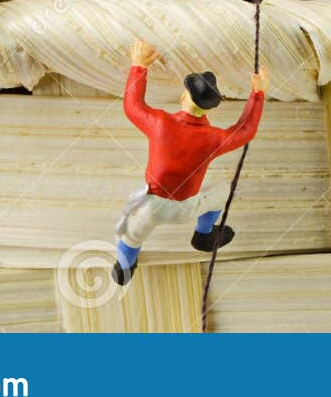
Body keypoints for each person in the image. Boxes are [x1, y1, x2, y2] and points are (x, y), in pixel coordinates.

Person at [113, 38, 270, 286]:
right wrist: (257, 94)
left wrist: (139, 65)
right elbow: (245, 130)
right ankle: (204, 235)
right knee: (222, 192)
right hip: (186, 208)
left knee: (132, 236)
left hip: (152, 207)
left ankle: (123, 268)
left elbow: (133, 106)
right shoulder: (213, 138)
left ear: (185, 97)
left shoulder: (161, 124)